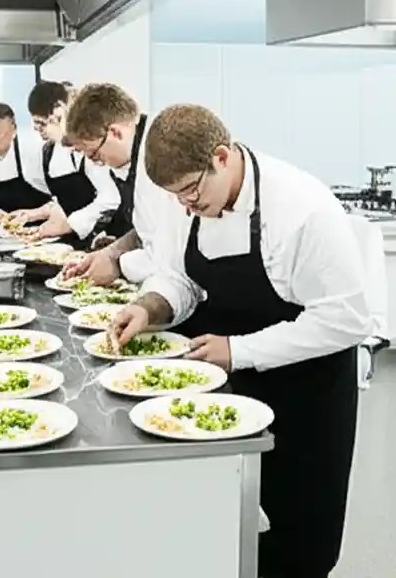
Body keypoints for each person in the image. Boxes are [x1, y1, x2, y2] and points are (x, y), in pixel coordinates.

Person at [110, 104, 368, 578]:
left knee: (299, 534)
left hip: (306, 390)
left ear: (222, 157)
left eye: (191, 191)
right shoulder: (185, 202)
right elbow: (180, 278)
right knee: (222, 520)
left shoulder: (302, 208)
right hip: (227, 382)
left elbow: (346, 319)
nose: (186, 206)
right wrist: (148, 306)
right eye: (175, 196)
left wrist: (240, 350)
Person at [61, 83, 180, 285]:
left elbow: (168, 253)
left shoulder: (160, 158)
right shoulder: (131, 156)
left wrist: (117, 265)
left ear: (115, 133)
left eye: (94, 154)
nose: (95, 163)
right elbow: (147, 231)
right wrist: (109, 253)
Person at [8, 80, 121, 245]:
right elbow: (67, 201)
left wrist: (70, 224)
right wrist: (37, 216)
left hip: (102, 238)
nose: (39, 130)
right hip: (68, 243)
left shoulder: (87, 148)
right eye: (36, 124)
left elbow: (111, 198)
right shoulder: (48, 154)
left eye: (43, 123)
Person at [0, 103, 52, 217]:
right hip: (7, 224)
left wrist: (34, 214)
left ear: (13, 129)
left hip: (44, 222)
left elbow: (59, 195)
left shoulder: (34, 149)